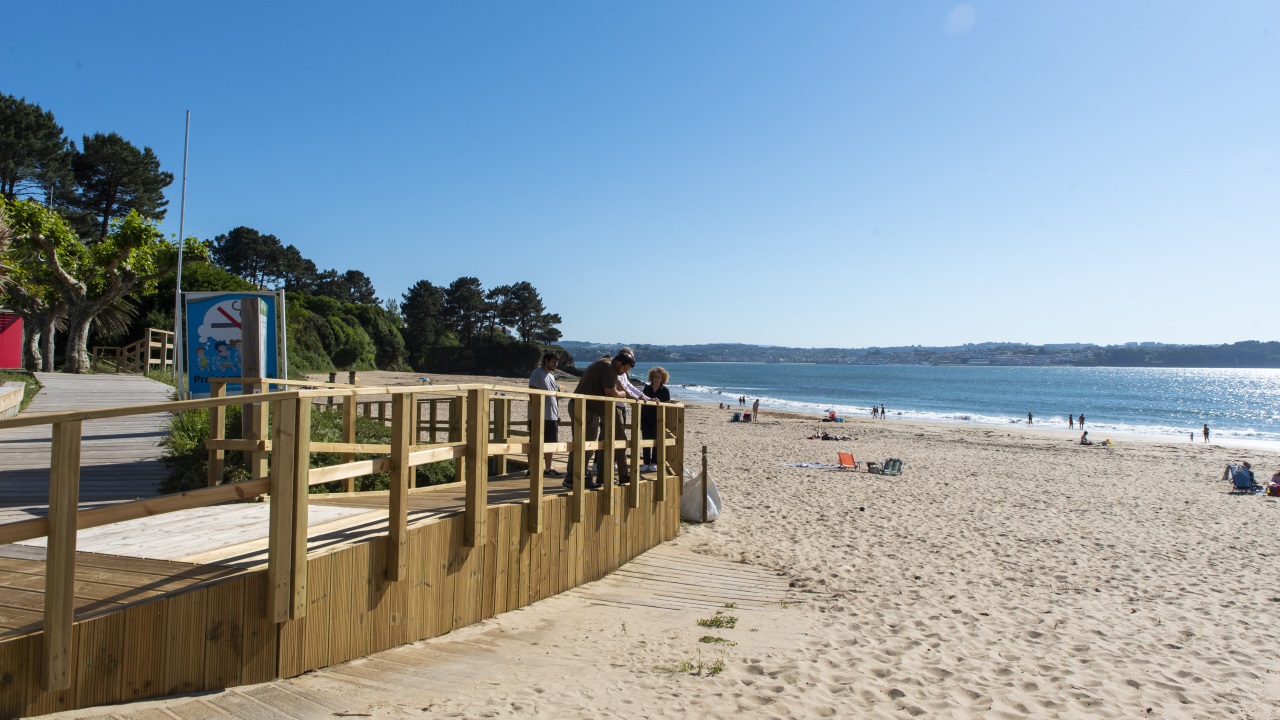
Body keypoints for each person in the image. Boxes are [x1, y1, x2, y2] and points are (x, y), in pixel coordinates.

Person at [566, 352, 637, 488]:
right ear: (619, 363)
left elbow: (614, 385)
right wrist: (623, 394)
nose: (624, 372)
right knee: (587, 445)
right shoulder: (609, 367)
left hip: (580, 406)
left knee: (580, 443)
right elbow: (610, 392)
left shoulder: (605, 363)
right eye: (625, 369)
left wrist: (631, 395)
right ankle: (576, 478)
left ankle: (574, 477)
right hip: (586, 409)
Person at [528, 352, 564, 484]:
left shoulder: (552, 376)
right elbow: (532, 392)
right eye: (553, 361)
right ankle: (531, 468)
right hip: (539, 415)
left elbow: (553, 397)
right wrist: (536, 412)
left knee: (550, 443)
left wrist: (557, 414)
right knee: (535, 442)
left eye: (557, 362)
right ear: (546, 361)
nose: (556, 364)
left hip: (551, 415)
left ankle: (548, 468)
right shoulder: (537, 373)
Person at [640, 366, 671, 472]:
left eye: (659, 377)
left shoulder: (665, 390)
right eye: (655, 377)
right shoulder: (647, 388)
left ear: (662, 378)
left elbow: (667, 405)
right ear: (652, 377)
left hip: (658, 419)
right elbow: (642, 402)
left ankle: (654, 463)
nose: (657, 379)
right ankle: (646, 463)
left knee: (656, 441)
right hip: (645, 418)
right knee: (646, 440)